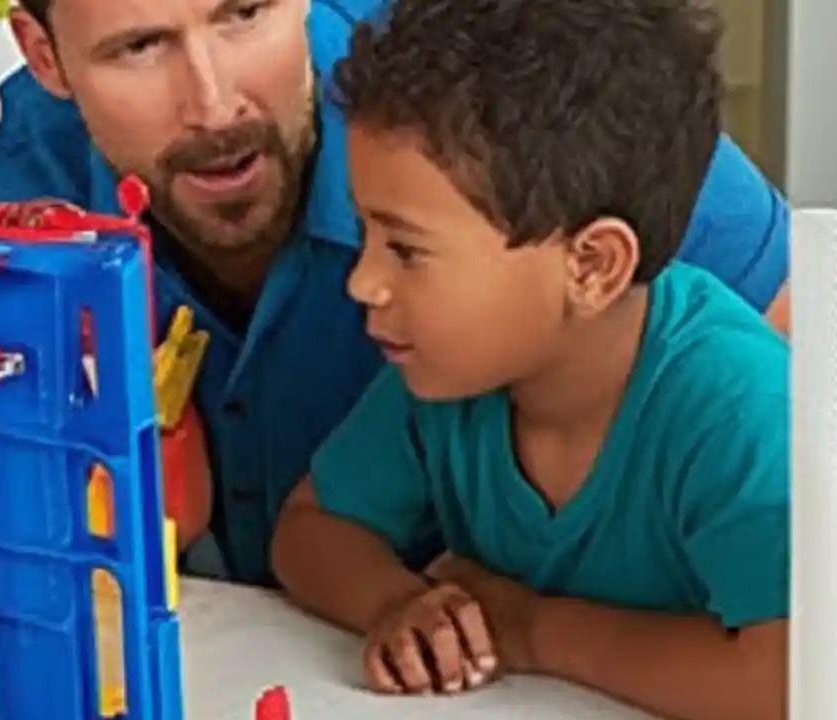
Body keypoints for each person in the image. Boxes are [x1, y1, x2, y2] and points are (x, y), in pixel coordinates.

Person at [0, 0, 791, 586]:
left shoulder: (510, 100)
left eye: (246, 12)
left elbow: (813, 412)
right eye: (138, 46)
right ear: (43, 55)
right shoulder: (12, 186)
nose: (214, 104)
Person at [270, 1, 789, 718]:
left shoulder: (736, 408)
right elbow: (310, 529)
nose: (362, 282)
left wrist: (531, 629)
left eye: (407, 250)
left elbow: (792, 678)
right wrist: (399, 604)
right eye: (365, 234)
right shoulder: (451, 379)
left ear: (592, 265)